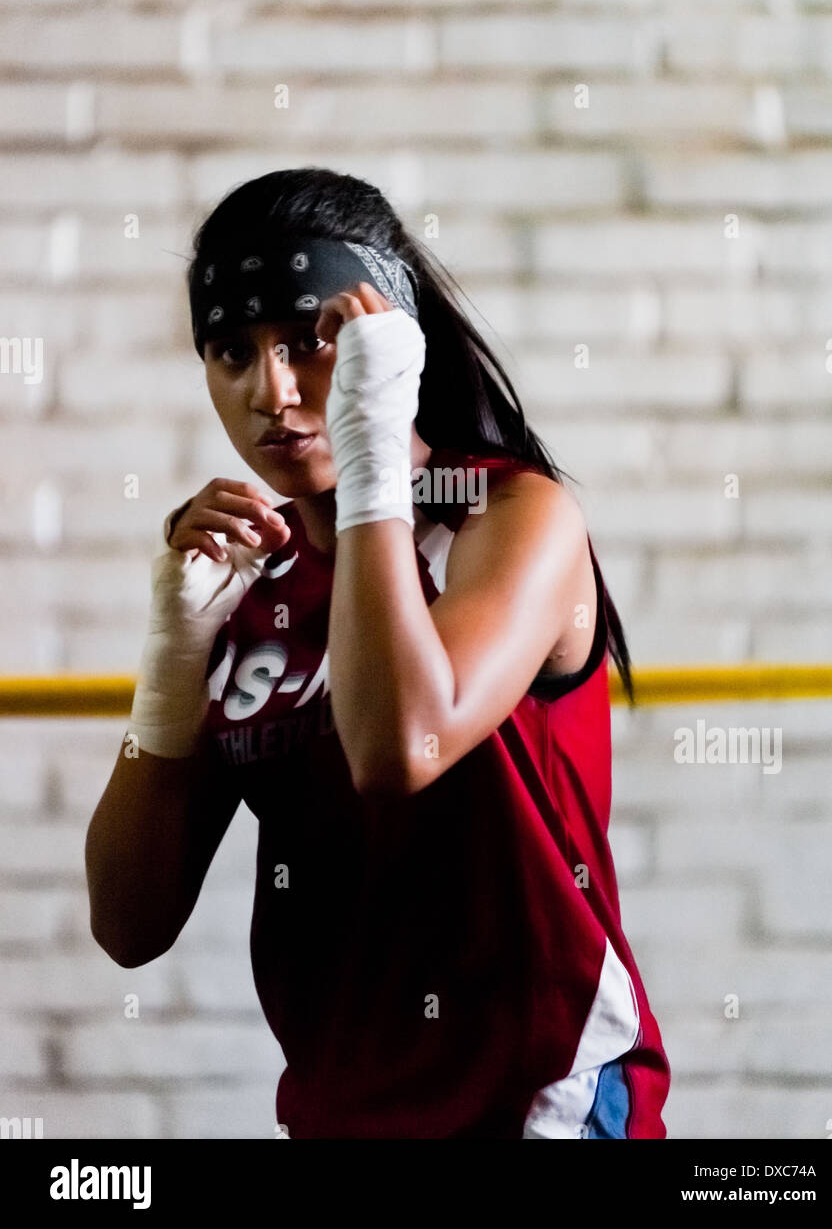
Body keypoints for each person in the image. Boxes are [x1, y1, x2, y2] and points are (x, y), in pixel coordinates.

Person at [86, 167, 670, 1139]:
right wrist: (169, 663)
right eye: (234, 350)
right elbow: (129, 923)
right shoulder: (248, 587)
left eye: (310, 341)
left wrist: (368, 458)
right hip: (341, 1115)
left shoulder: (510, 515)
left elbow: (400, 746)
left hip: (537, 1100)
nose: (273, 389)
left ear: (387, 340)